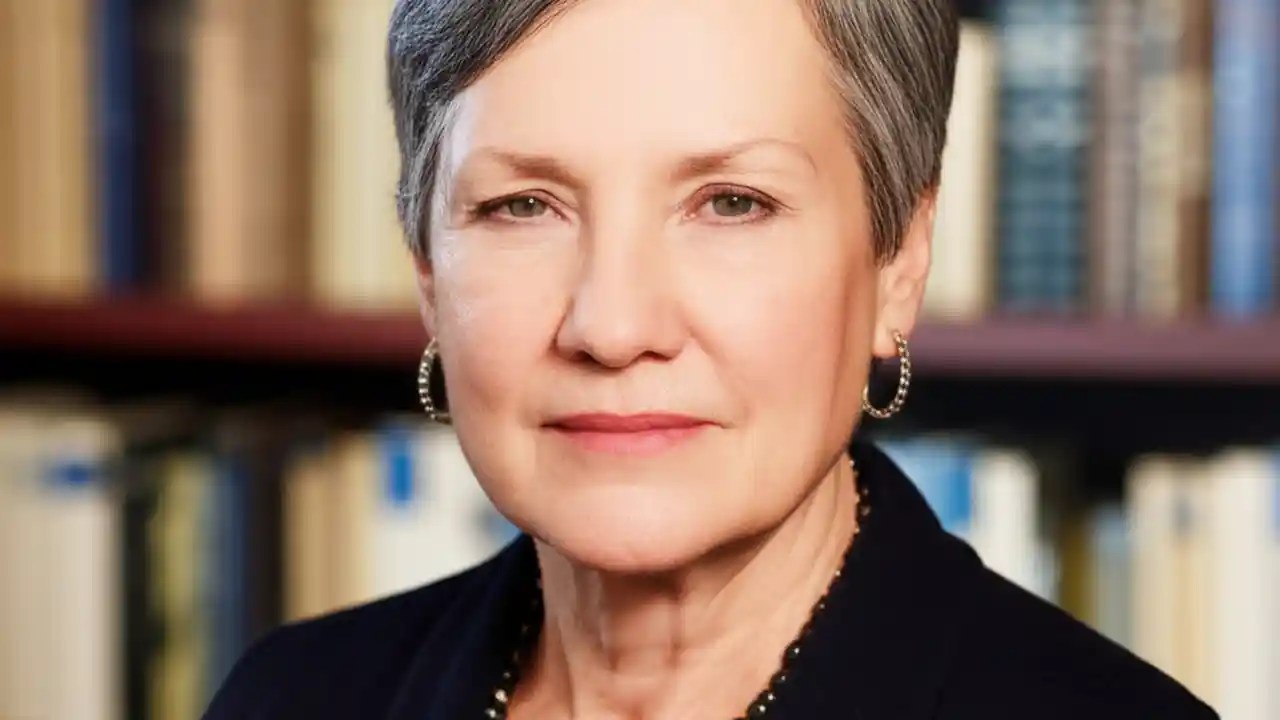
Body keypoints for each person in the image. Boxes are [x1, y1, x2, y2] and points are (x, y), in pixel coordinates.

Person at [205, 0, 1218, 718]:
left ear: (898, 263)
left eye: (731, 203)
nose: (612, 327)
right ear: (427, 269)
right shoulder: (290, 697)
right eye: (522, 206)